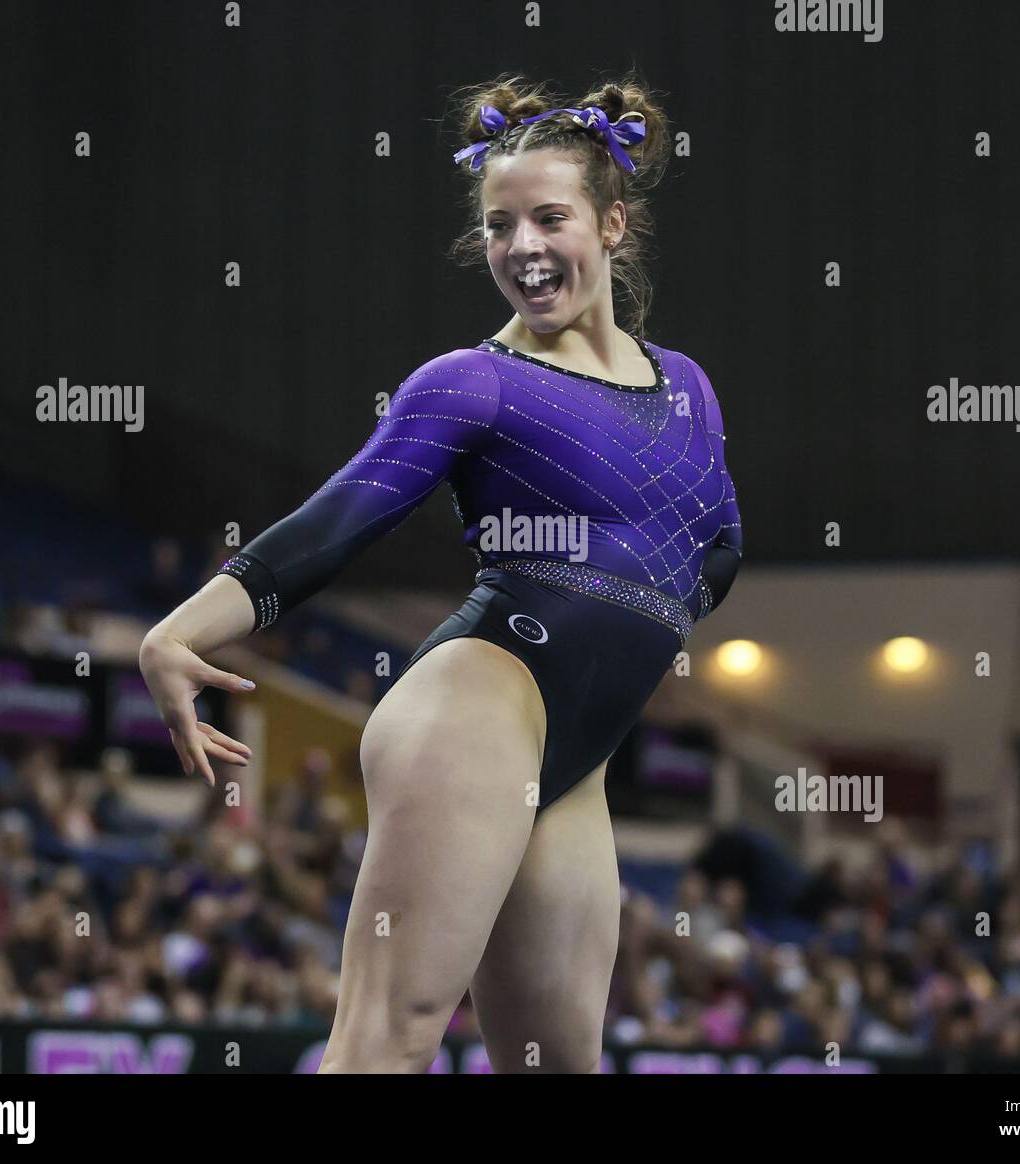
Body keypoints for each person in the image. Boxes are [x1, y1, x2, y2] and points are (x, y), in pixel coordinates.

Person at [139, 73, 742, 1073]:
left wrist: (647, 618)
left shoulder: (685, 388)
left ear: (614, 224)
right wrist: (178, 634)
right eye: (501, 226)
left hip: (576, 757)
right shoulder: (472, 383)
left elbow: (714, 549)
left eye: (551, 218)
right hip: (480, 704)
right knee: (388, 1041)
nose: (523, 248)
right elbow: (334, 523)